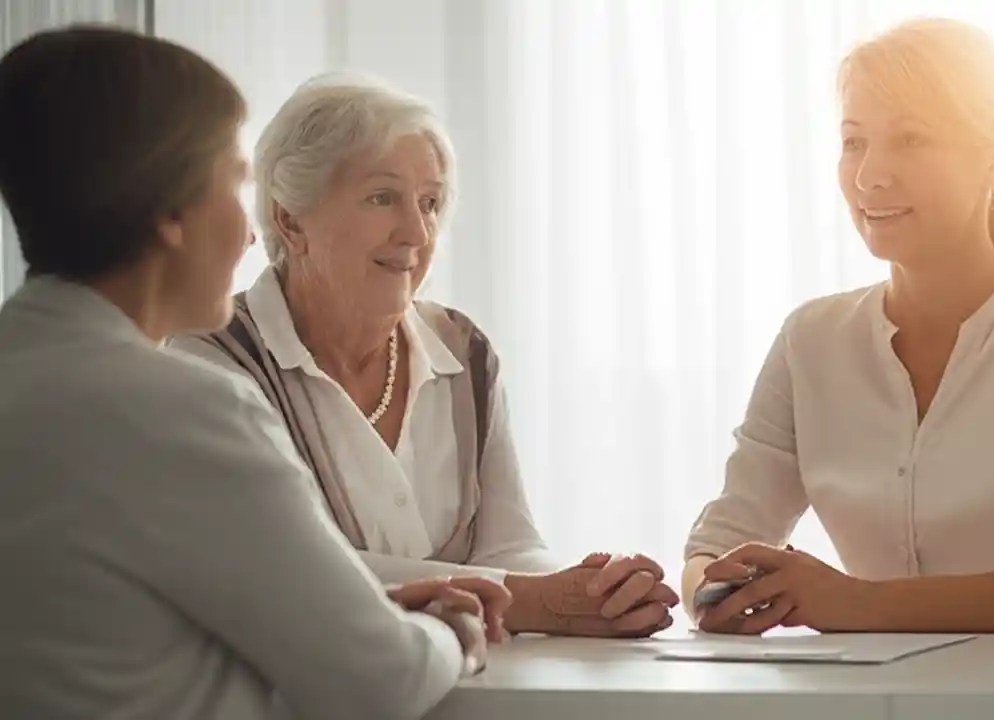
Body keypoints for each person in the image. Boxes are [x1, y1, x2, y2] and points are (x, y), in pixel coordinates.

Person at [0, 27, 510, 720]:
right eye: (236, 184)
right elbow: (380, 681)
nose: (247, 234)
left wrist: (363, 613)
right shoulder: (185, 408)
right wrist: (450, 631)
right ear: (171, 211)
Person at [682, 18, 994, 634]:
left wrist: (857, 604)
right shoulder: (811, 338)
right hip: (873, 696)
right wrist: (719, 591)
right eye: (854, 142)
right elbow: (719, 544)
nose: (869, 175)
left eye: (910, 140)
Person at [169, 73, 678, 638]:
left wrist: (592, 594)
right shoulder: (212, 360)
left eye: (430, 203)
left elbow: (510, 547)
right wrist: (531, 600)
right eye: (382, 198)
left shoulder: (464, 350)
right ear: (291, 219)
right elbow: (277, 571)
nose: (416, 230)